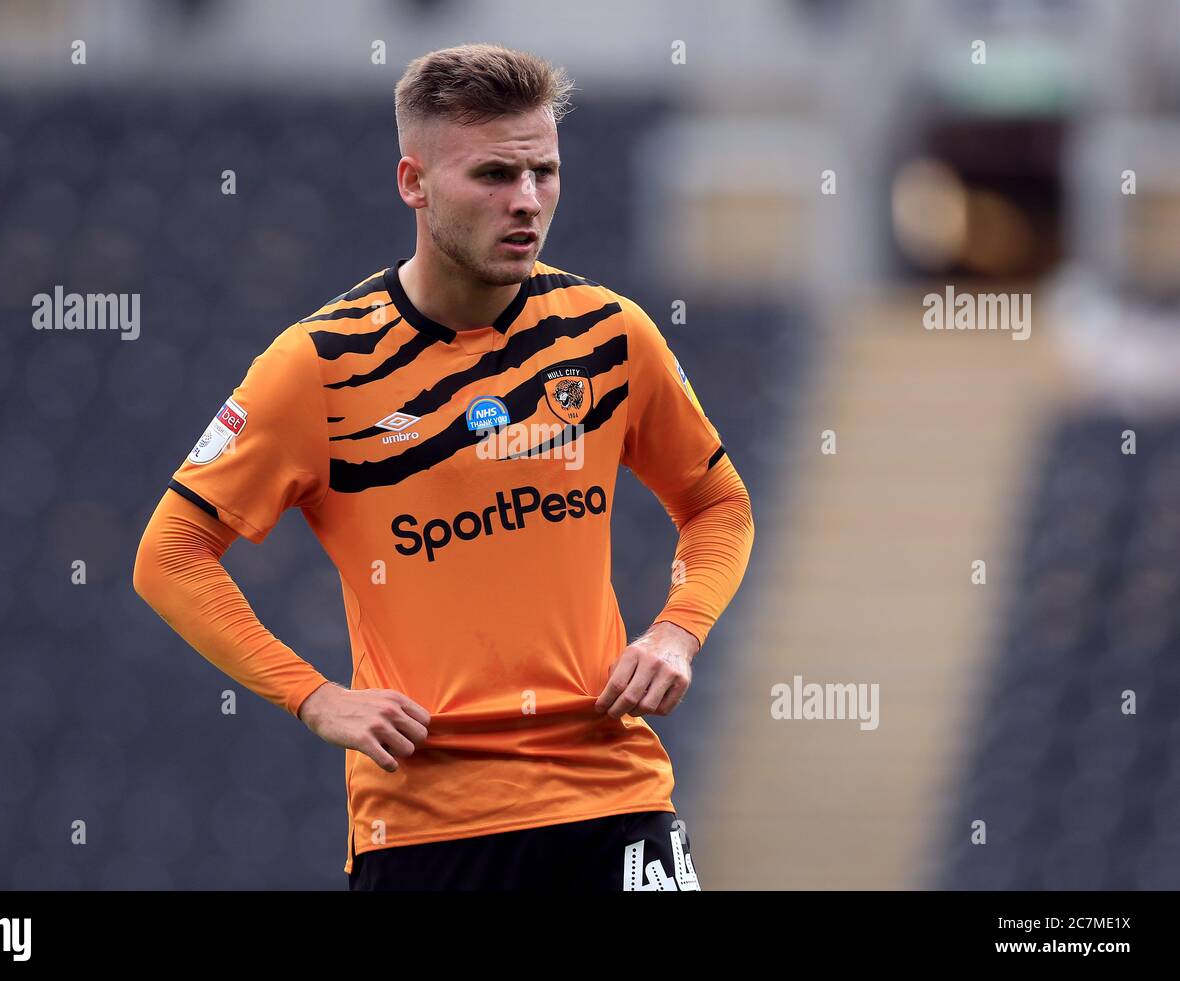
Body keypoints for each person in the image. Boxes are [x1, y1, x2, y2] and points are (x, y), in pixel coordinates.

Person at [133, 42, 755, 891]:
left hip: (614, 801)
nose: (528, 202)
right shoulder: (318, 365)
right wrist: (314, 696)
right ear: (413, 183)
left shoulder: (609, 334)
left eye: (545, 173)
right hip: (427, 831)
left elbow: (718, 502)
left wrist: (678, 630)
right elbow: (168, 555)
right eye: (495, 175)